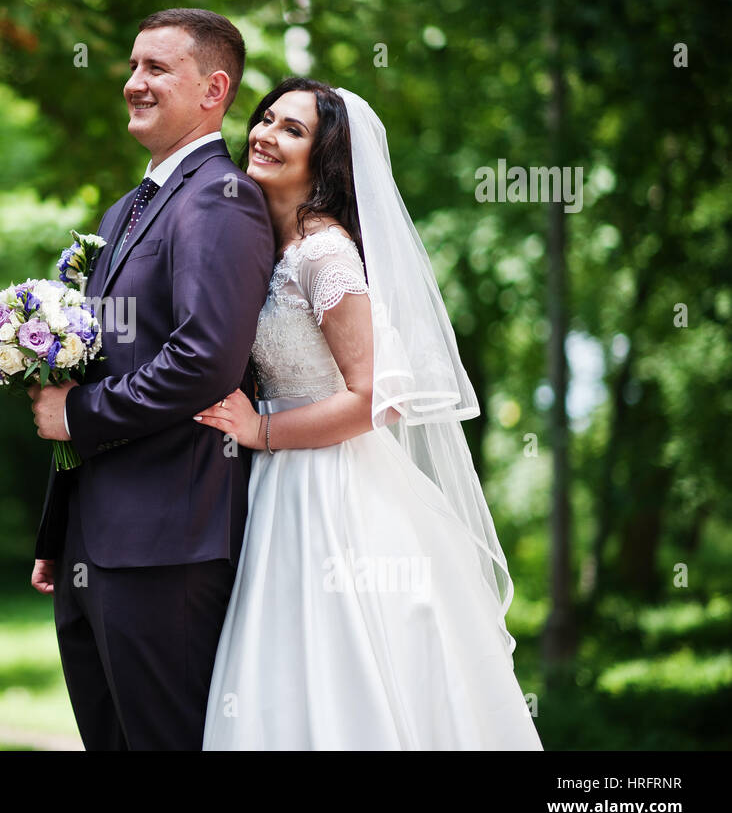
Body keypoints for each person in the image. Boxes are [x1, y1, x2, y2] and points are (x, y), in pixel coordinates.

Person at [194, 78, 544, 750]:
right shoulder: (271, 244)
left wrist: (261, 429)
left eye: (291, 129)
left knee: (341, 655)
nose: (264, 134)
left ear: (323, 157)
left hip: (331, 489)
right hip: (281, 484)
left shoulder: (323, 251)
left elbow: (376, 398)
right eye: (265, 119)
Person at [27, 8, 274, 750]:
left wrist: (79, 415)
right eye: (132, 67)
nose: (133, 83)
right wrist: (58, 524)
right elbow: (101, 361)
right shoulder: (125, 209)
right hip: (96, 540)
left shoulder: (220, 201)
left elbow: (206, 359)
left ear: (214, 88)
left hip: (170, 540)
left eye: (155, 69)